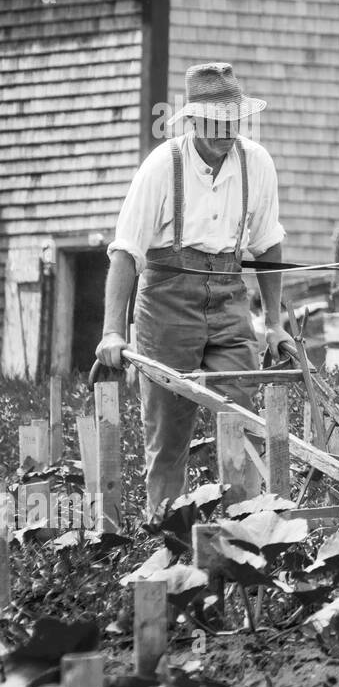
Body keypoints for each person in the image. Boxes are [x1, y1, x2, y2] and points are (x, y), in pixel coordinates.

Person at [95, 62, 293, 519]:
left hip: (228, 298)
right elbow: (126, 253)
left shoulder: (256, 163)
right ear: (194, 119)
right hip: (167, 302)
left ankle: (246, 531)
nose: (226, 130)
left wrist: (275, 326)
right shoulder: (163, 165)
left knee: (243, 417)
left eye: (233, 120)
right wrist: (111, 332)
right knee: (168, 432)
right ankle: (170, 538)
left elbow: (268, 244)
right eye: (216, 121)